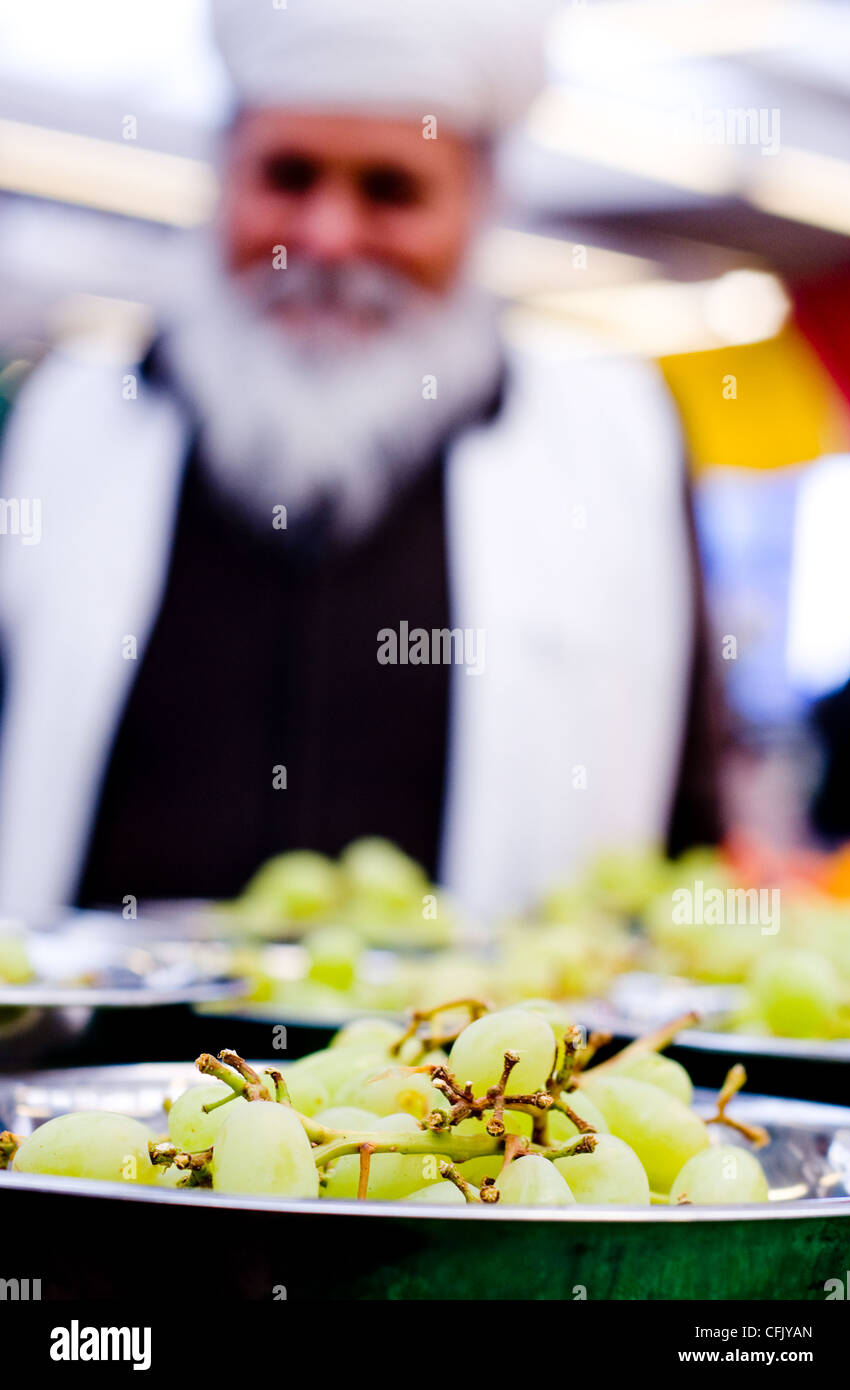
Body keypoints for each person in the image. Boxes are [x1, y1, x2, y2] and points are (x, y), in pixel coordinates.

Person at [0, 0, 721, 923]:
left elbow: (685, 816)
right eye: (288, 176)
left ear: (478, 208)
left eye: (390, 189)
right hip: (90, 1063)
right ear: (224, 178)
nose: (328, 237)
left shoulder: (610, 434)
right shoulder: (76, 411)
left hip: (469, 1060)